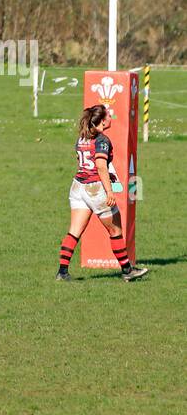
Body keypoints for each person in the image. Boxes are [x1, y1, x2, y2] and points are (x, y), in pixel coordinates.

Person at [57, 104, 146, 282]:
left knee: (74, 231)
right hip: (95, 188)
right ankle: (128, 271)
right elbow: (100, 166)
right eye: (109, 115)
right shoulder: (102, 139)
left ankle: (62, 272)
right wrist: (109, 191)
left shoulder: (82, 137)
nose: (111, 117)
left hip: (77, 187)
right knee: (115, 230)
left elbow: (80, 160)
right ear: (103, 121)